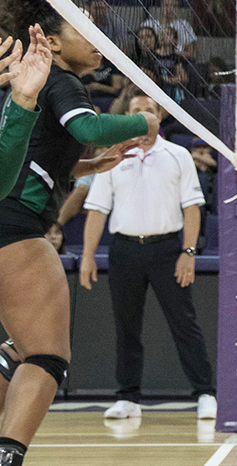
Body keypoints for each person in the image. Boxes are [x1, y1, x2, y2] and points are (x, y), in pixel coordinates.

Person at [0, 0, 158, 466]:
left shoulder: (41, 84)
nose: (98, 38)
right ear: (50, 37)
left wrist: (91, 167)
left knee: (18, 353)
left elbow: (42, 162)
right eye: (84, 27)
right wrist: (144, 121)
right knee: (47, 356)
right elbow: (89, 129)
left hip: (13, 218)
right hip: (15, 227)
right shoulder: (58, 80)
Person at [73, 93, 213, 423]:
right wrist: (88, 256)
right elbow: (96, 210)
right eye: (135, 110)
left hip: (166, 249)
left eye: (147, 109)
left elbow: (191, 208)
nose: (141, 115)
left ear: (159, 115)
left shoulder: (178, 155)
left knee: (184, 324)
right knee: (127, 326)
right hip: (124, 250)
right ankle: (128, 397)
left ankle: (205, 393)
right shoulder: (113, 157)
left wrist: (188, 253)